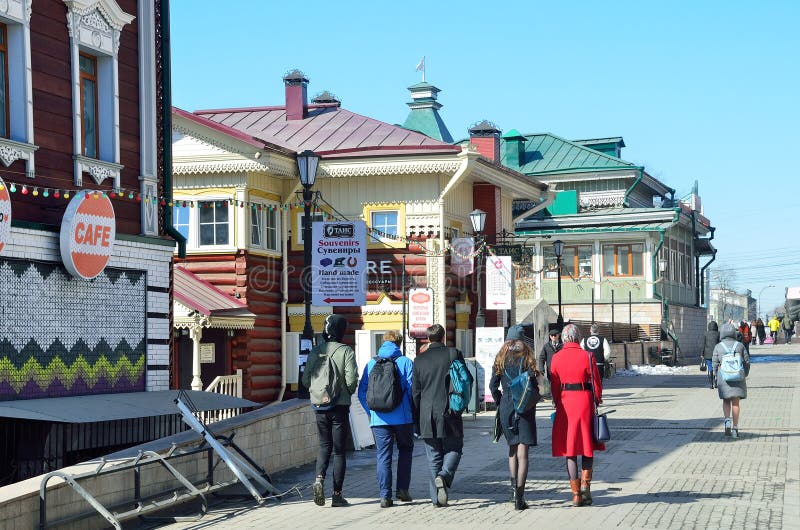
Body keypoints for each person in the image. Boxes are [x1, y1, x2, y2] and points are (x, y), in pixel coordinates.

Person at [302, 314, 358, 507]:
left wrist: (318, 391)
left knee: (324, 446)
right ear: (341, 330)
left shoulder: (316, 351)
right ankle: (336, 495)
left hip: (319, 406)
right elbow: (351, 381)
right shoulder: (346, 351)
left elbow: (305, 379)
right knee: (340, 452)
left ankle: (318, 479)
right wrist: (347, 392)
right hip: (340, 406)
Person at [357, 330, 414, 508]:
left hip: (379, 419)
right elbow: (412, 390)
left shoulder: (371, 363)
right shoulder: (405, 362)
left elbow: (362, 393)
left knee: (383, 456)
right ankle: (402, 490)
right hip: (403, 418)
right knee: (405, 451)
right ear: (399, 343)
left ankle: (385, 496)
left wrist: (372, 411)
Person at [549, 323, 605, 507]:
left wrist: (558, 402)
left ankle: (575, 494)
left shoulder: (556, 358)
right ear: (578, 337)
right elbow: (596, 382)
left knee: (570, 448)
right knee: (587, 446)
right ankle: (586, 489)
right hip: (584, 401)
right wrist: (597, 399)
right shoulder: (587, 356)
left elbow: (554, 387)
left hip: (566, 403)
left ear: (564, 338)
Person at [412, 324, 466, 507]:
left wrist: (416, 418)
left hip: (426, 414)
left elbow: (416, 393)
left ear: (428, 338)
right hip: (450, 410)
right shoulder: (454, 354)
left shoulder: (419, 360)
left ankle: (436, 500)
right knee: (454, 448)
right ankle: (444, 475)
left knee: (433, 455)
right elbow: (465, 380)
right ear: (443, 337)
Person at [489, 327, 538, 510]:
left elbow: (493, 385)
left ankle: (512, 490)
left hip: (507, 405)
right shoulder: (527, 357)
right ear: (522, 340)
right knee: (523, 453)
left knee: (512, 450)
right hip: (524, 405)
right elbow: (534, 383)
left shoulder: (500, 359)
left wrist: (500, 401)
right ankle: (520, 497)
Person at [712, 323, 750, 439]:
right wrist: (745, 374)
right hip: (738, 377)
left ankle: (727, 421)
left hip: (724, 378)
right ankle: (735, 428)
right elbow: (747, 362)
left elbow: (714, 363)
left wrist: (716, 375)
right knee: (736, 403)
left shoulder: (718, 346)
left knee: (726, 401)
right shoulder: (740, 346)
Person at [702, 321, 720, 388]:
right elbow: (720, 344)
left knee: (710, 368)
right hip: (716, 354)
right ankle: (716, 382)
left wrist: (702, 354)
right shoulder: (718, 334)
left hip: (708, 354)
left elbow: (704, 345)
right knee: (717, 368)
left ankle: (711, 384)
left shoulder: (706, 334)